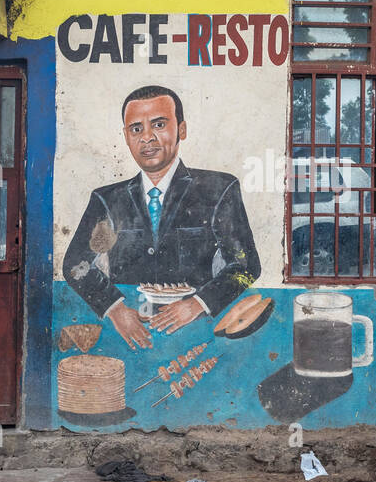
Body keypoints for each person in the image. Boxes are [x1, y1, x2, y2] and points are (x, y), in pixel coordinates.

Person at [63, 85, 261, 349]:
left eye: (158, 124)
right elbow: (76, 266)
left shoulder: (217, 190)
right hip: (129, 334)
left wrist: (197, 305)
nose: (147, 137)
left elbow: (247, 267)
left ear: (182, 129)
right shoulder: (108, 200)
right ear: (126, 137)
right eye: (136, 129)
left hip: (196, 332)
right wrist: (115, 309)